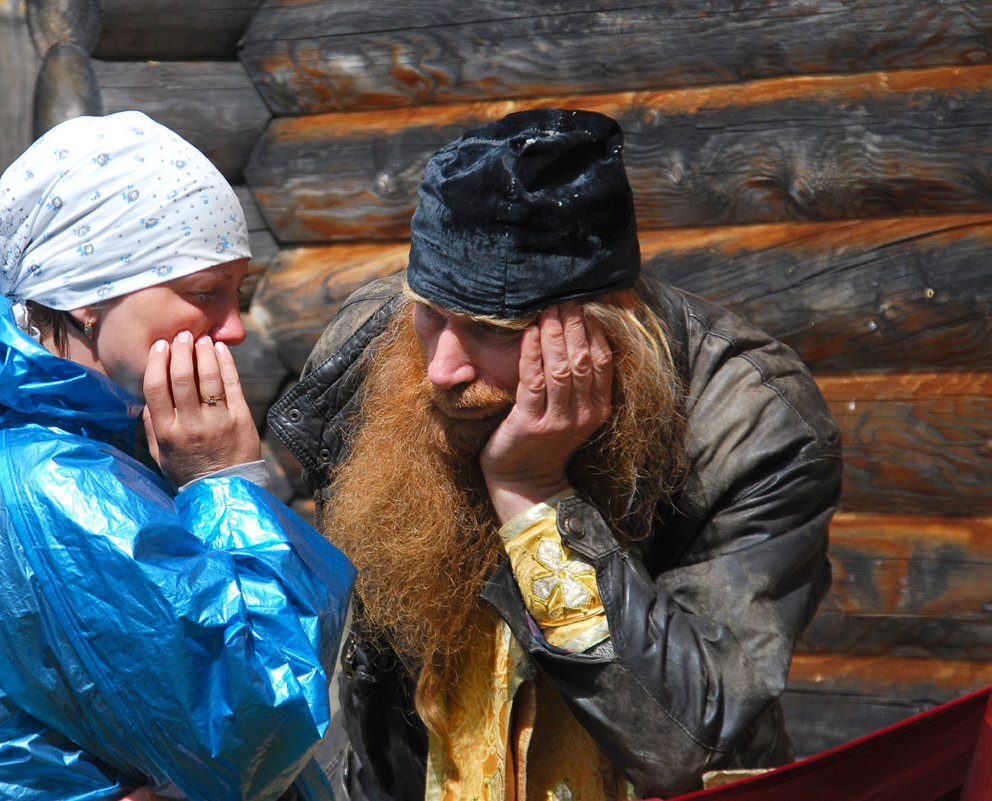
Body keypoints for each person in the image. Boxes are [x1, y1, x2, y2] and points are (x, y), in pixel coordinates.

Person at [266, 108, 841, 800]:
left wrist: (533, 494)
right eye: (430, 312)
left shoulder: (754, 424)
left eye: (488, 328)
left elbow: (689, 742)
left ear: (602, 330)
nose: (442, 366)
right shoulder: (375, 349)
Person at [0, 111, 355, 801]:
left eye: (240, 290)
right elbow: (254, 732)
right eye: (204, 292)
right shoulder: (43, 482)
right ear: (87, 296)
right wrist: (226, 483)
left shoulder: (78, 448)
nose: (234, 327)